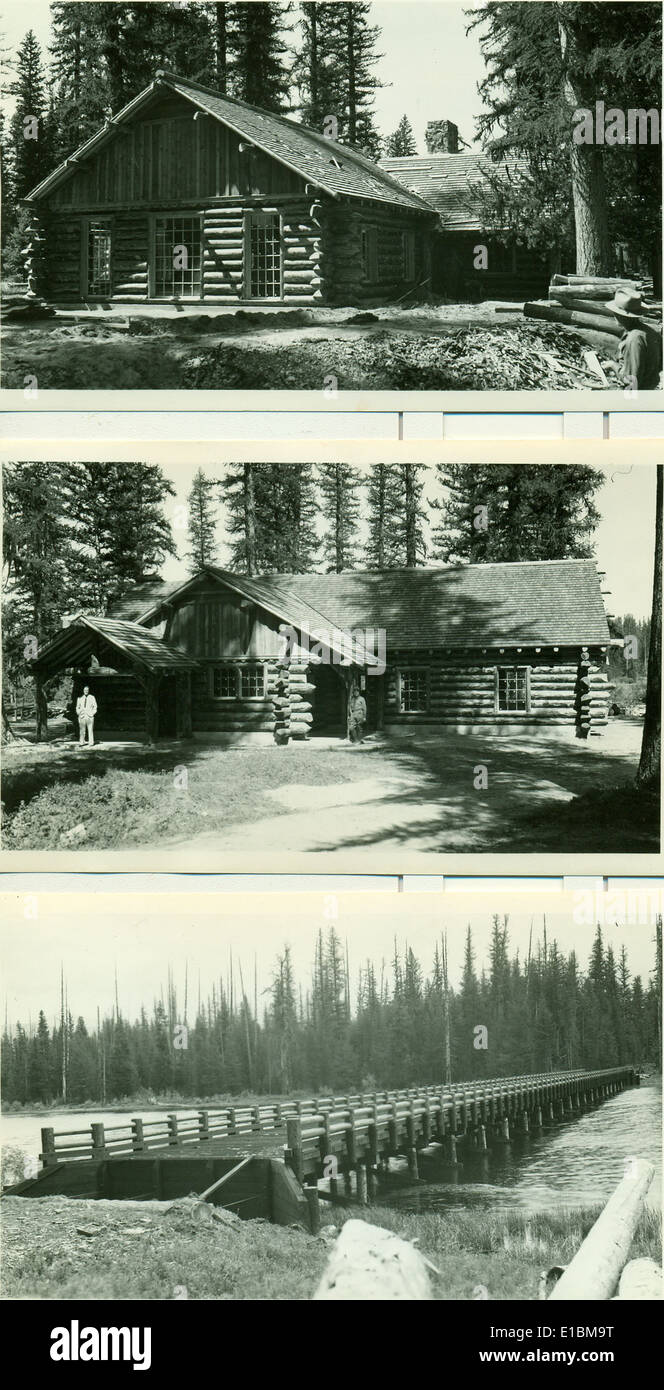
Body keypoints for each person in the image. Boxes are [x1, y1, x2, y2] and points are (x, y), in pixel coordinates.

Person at [606, 289, 662, 391]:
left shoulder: (634, 340)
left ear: (620, 315)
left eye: (615, 312)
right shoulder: (650, 332)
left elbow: (632, 381)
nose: (614, 315)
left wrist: (614, 366)